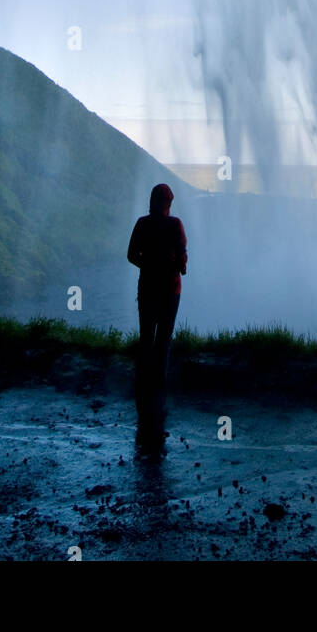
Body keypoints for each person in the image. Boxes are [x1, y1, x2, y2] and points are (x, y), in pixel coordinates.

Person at [127, 183, 187, 445]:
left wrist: (149, 266)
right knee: (163, 340)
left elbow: (131, 255)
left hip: (147, 288)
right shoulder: (175, 225)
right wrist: (175, 267)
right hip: (170, 290)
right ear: (168, 203)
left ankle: (141, 388)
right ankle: (158, 392)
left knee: (146, 338)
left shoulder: (142, 224)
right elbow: (182, 261)